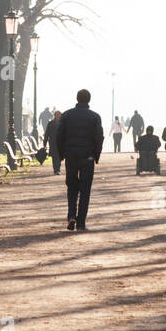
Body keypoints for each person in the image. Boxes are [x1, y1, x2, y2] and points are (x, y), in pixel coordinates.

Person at [56, 88, 104, 231]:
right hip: (87, 156)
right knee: (85, 190)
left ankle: (71, 215)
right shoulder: (94, 117)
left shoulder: (67, 115)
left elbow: (59, 136)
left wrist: (62, 154)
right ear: (89, 100)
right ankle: (81, 222)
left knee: (71, 187)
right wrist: (96, 155)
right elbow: (98, 138)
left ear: (77, 99)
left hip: (71, 155)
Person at [43, 108, 62, 174]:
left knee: (59, 157)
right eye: (57, 115)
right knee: (54, 157)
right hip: (53, 142)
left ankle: (58, 169)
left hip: (60, 143)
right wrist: (44, 143)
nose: (58, 116)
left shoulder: (63, 123)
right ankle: (56, 170)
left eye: (59, 115)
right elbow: (47, 133)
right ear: (55, 115)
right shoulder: (50, 123)